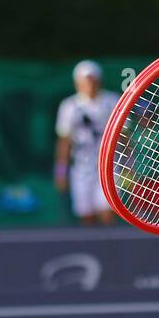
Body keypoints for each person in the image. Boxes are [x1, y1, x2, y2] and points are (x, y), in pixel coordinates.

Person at [54, 60, 119, 225]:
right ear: (78, 82)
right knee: (86, 216)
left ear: (99, 80)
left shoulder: (112, 101)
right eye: (85, 79)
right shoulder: (69, 106)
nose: (89, 83)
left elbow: (124, 137)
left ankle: (111, 248)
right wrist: (61, 171)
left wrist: (129, 167)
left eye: (92, 79)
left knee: (107, 213)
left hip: (109, 168)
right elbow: (64, 141)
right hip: (81, 170)